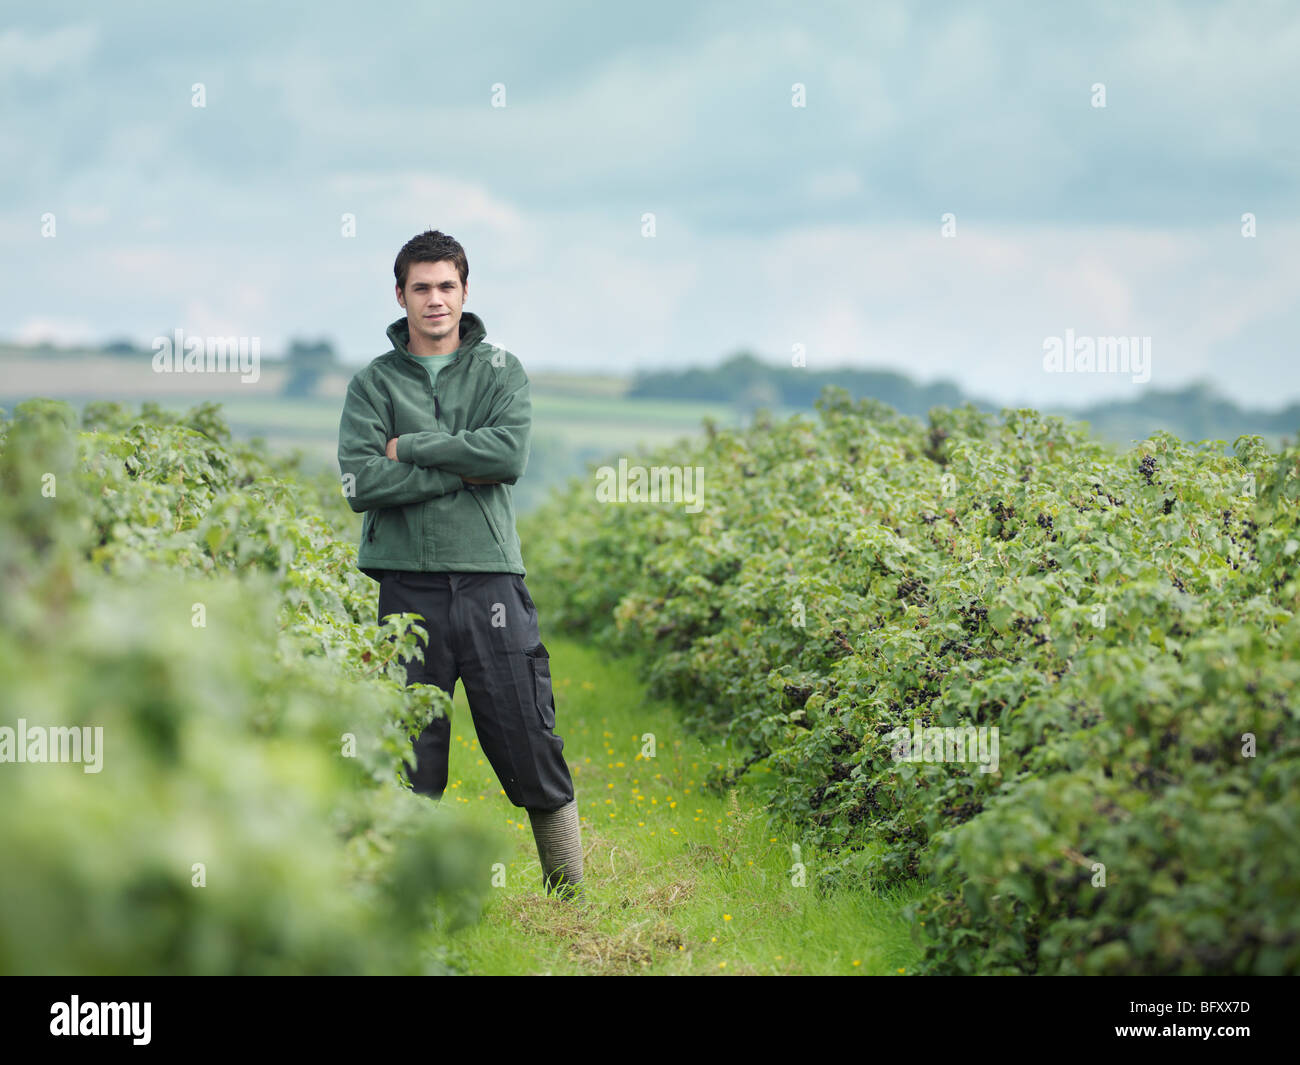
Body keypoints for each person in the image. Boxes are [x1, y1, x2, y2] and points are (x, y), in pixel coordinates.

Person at [336, 229, 583, 901]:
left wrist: (412, 447)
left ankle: (569, 892)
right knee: (411, 746)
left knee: (527, 732)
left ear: (465, 292)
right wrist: (456, 470)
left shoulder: (502, 371)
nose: (435, 299)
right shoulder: (372, 382)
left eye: (447, 285)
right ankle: (402, 898)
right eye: (421, 287)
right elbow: (360, 484)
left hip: (490, 578)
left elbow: (505, 459)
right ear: (400, 295)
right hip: (405, 582)